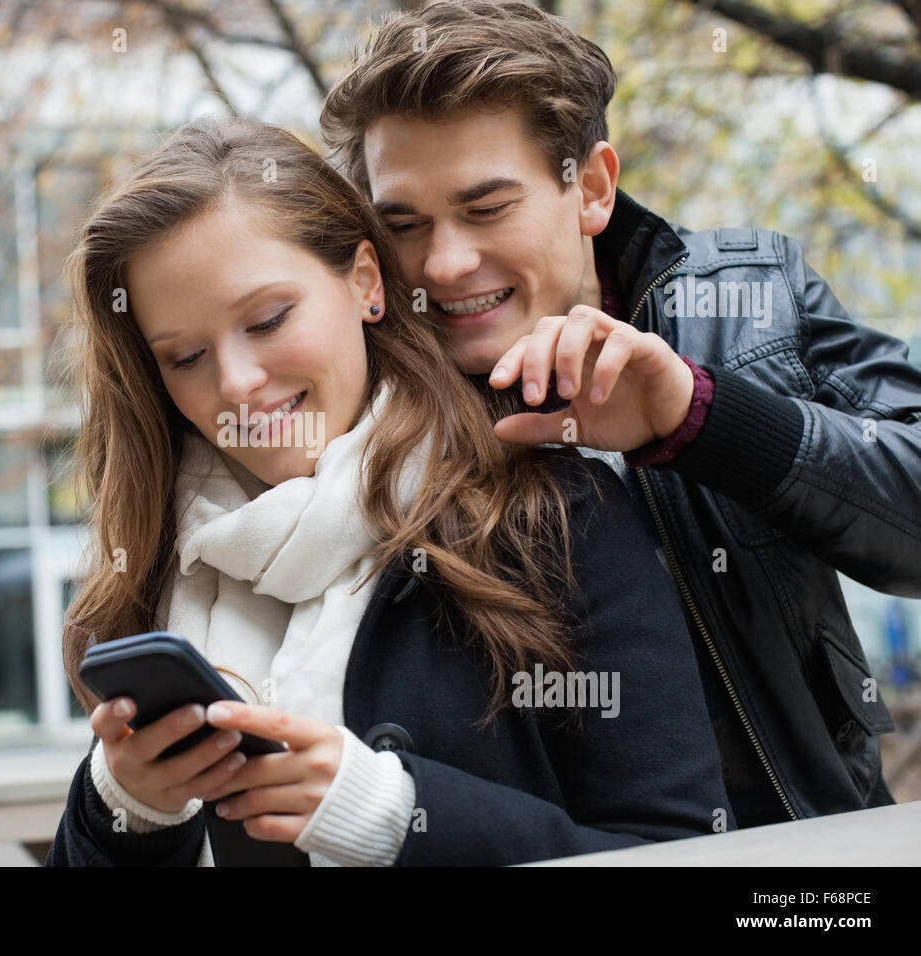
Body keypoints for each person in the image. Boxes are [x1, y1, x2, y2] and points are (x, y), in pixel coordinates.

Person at [45, 115, 732, 867]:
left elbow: (680, 850)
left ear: (366, 283)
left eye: (269, 319)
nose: (236, 382)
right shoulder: (153, 564)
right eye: (184, 357)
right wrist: (123, 807)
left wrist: (399, 814)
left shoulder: (549, 518)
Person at [317, 0, 912, 829]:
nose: (446, 264)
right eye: (404, 223)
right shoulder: (357, 390)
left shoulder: (753, 299)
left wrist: (697, 418)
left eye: (488, 208)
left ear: (591, 187)